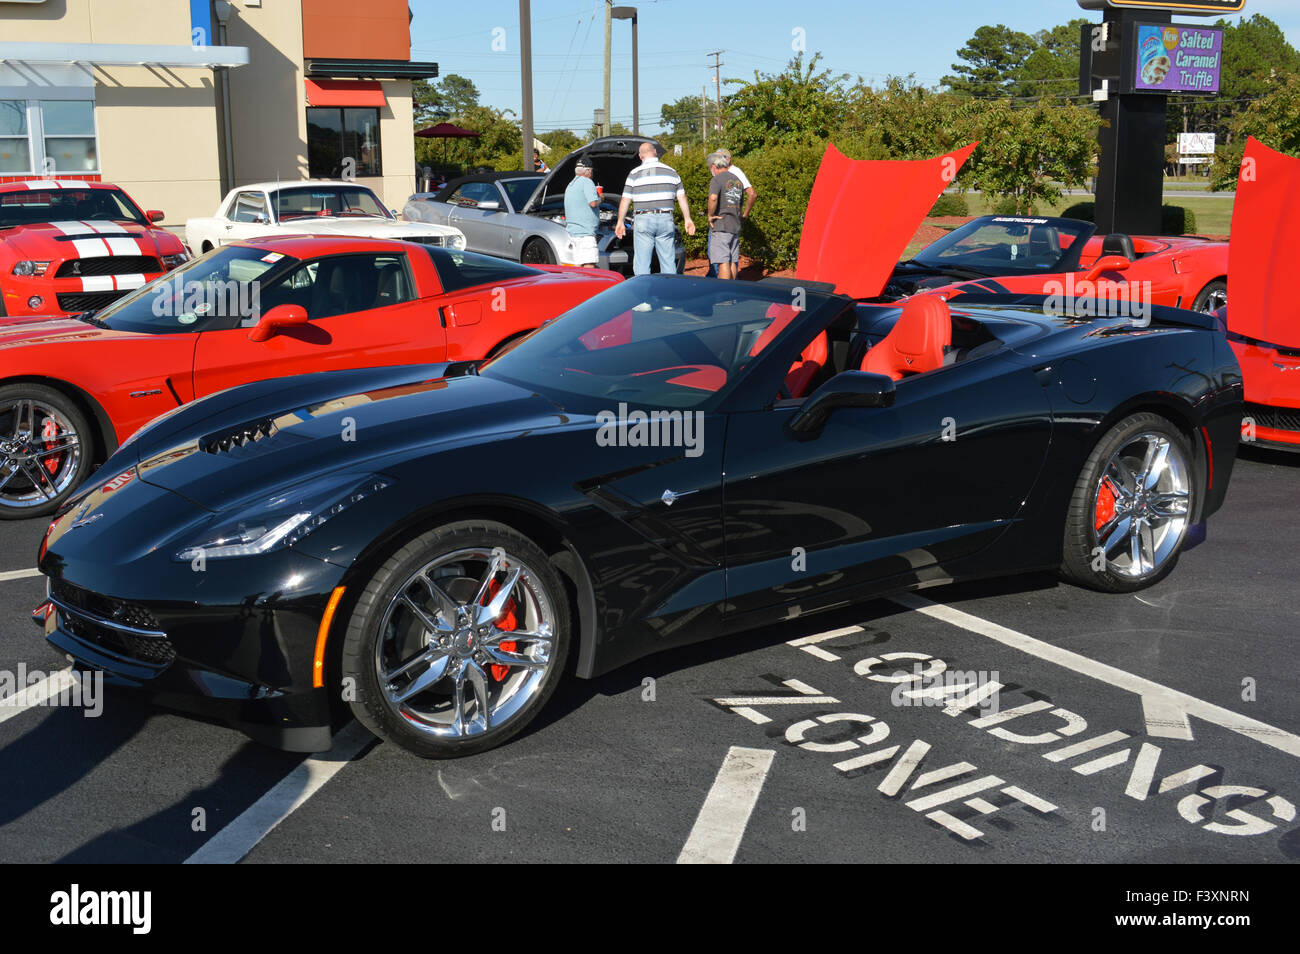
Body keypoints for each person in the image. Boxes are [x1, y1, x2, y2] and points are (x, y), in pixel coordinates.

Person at [614, 141, 696, 274]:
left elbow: (625, 200)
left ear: (640, 156)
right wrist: (688, 219)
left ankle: (643, 293)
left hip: (643, 219)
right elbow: (682, 197)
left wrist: (620, 222)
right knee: (668, 262)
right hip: (666, 218)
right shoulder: (671, 172)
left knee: (642, 264)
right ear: (655, 153)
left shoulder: (634, 173)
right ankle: (668, 292)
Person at [706, 152, 745, 279]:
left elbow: (713, 198)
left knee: (723, 261)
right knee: (732, 261)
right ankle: (733, 291)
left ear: (714, 166)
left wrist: (710, 215)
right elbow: (740, 204)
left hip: (721, 224)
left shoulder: (717, 179)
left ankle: (724, 294)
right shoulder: (737, 180)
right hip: (735, 225)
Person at [564, 158, 601, 267]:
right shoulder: (587, 182)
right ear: (588, 170)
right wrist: (601, 198)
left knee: (578, 267)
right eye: (592, 170)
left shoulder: (570, 185)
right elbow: (593, 203)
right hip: (586, 234)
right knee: (589, 265)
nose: (592, 173)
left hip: (572, 233)